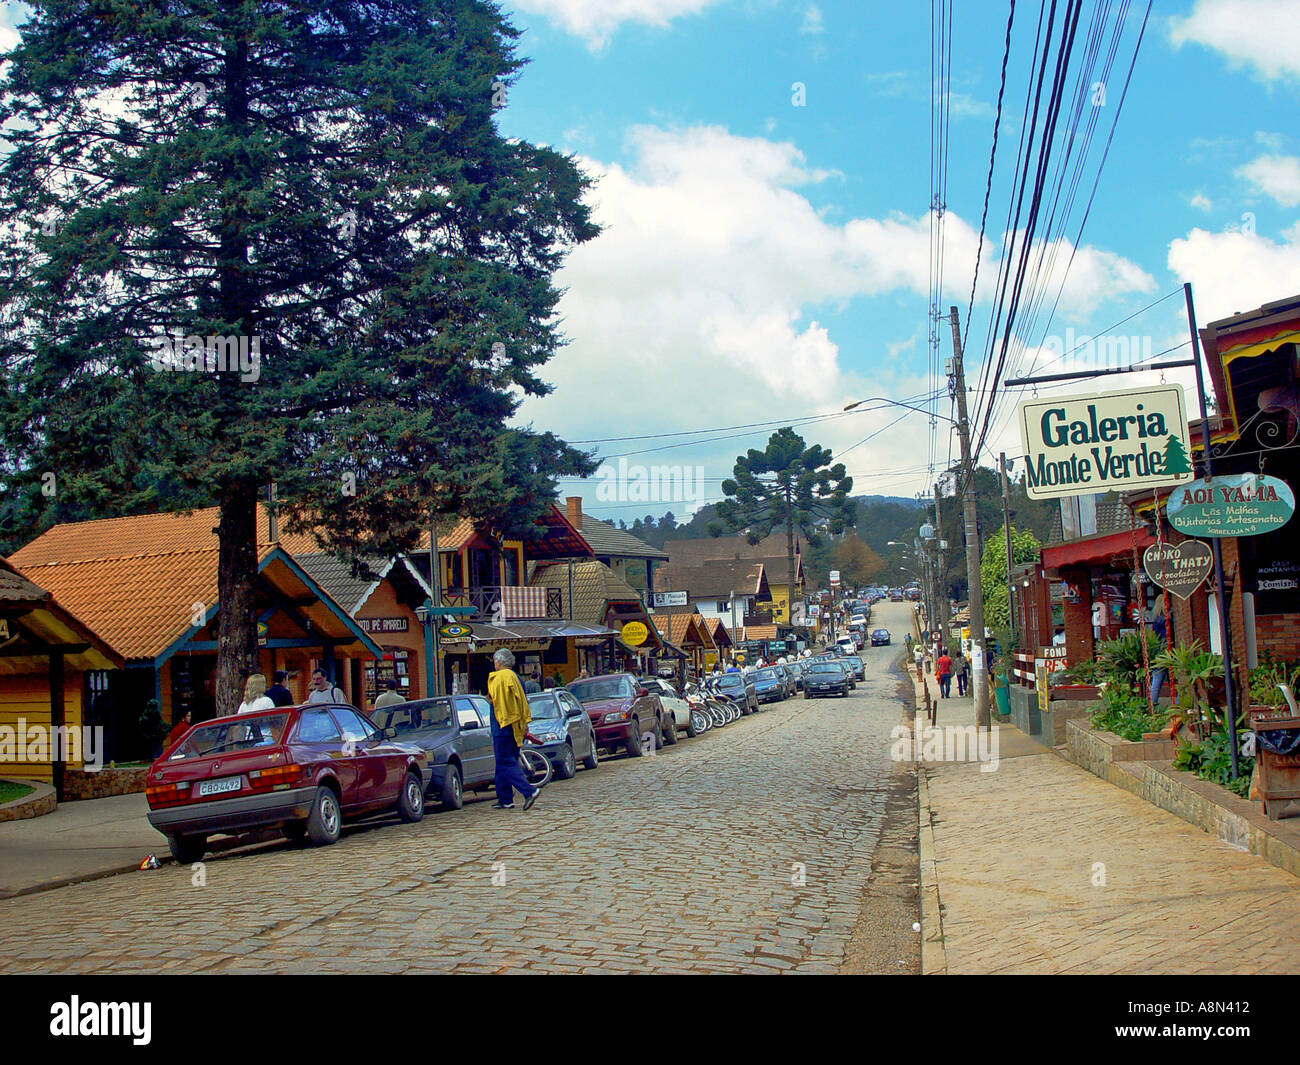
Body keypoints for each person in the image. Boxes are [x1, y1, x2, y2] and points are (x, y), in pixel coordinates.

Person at [486, 648, 541, 811]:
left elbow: (499, 701)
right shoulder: (516, 677)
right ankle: (505, 798)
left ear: (498, 661)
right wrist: (524, 723)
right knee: (505, 762)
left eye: (495, 661)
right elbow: (521, 701)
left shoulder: (499, 677)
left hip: (503, 725)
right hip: (515, 724)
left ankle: (529, 790)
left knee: (505, 761)